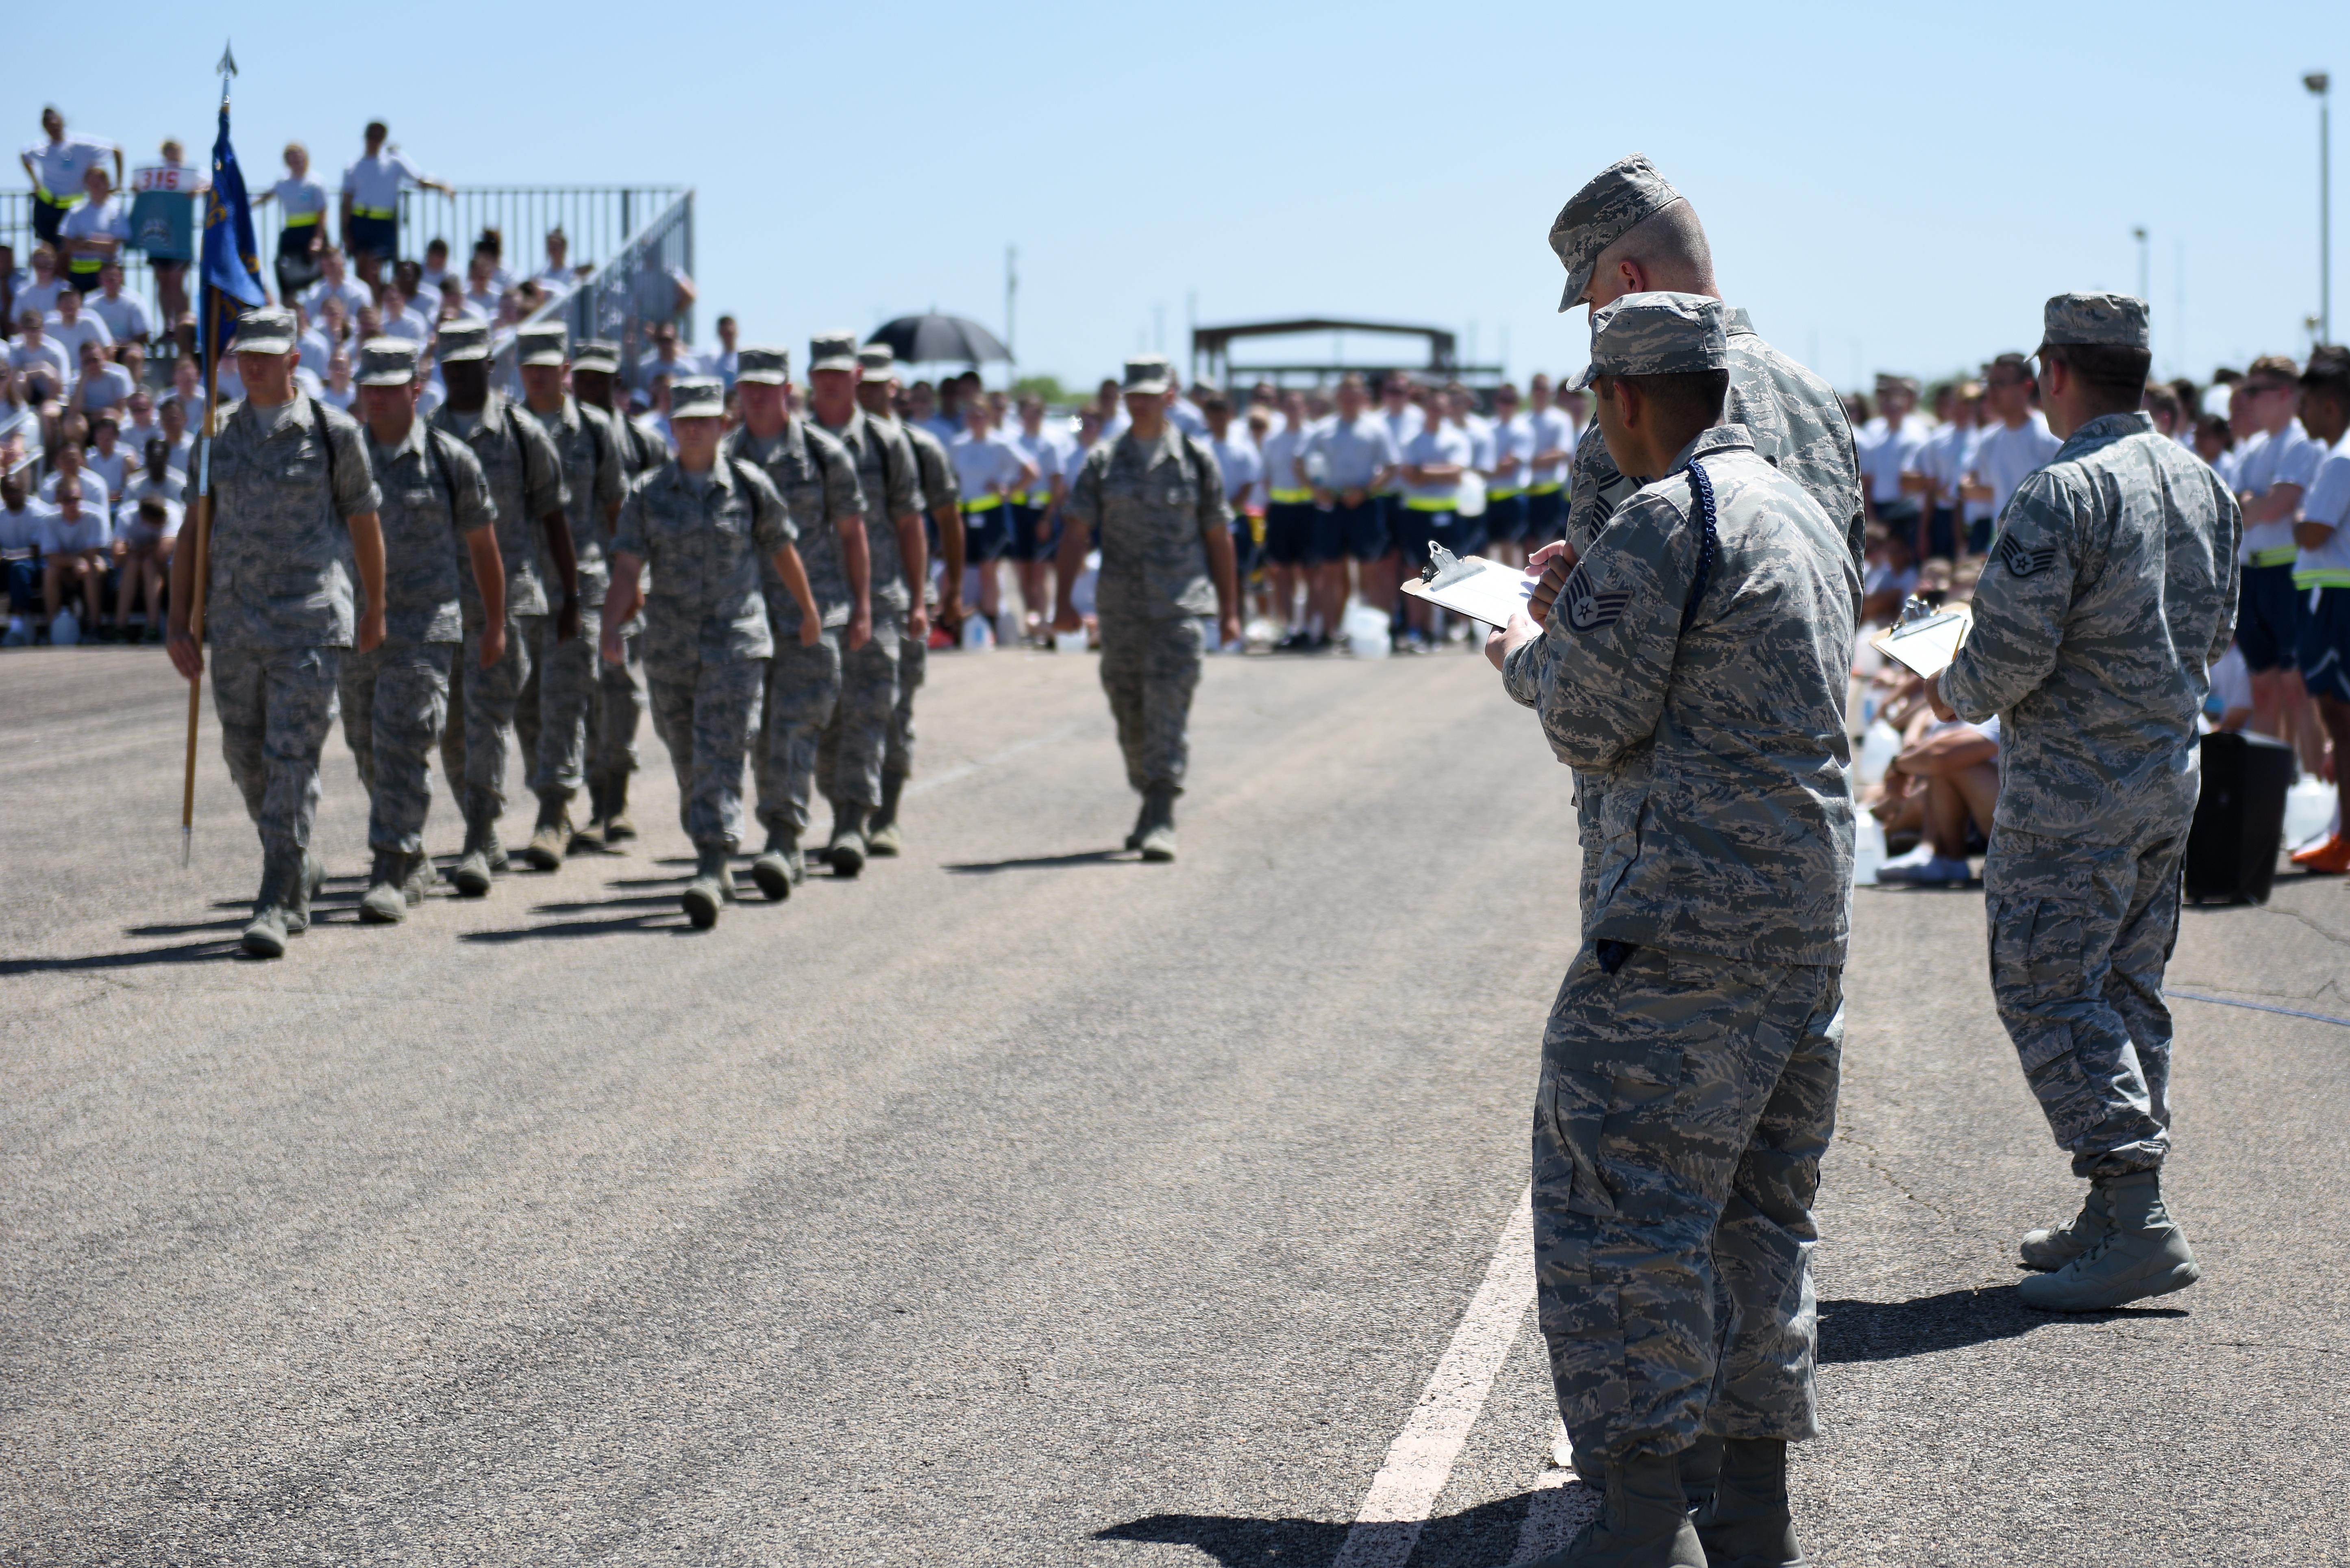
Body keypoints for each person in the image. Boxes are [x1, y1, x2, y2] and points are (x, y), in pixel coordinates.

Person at [1486, 291, 1858, 1568]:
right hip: (1801, 919)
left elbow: (1587, 717)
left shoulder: (1661, 516)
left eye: (1599, 397)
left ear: (1627, 396)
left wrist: (1526, 643)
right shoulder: (1801, 509)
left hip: (1681, 920)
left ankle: (1643, 1521)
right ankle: (1751, 1518)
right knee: (1760, 1220)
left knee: (1616, 1212)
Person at [1929, 293, 2237, 1313]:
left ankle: (2136, 1211)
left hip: (2072, 789)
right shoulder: (2202, 482)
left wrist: (1948, 675)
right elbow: (2216, 633)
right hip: (2163, 774)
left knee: (2048, 985)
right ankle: (2114, 1208)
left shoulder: (2062, 490)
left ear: (2053, 373)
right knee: (2125, 984)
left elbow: (2005, 658)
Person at [1534, 153, 1862, 948]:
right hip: (1798, 827)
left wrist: (1550, 615)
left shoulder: (1634, 403)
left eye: (1592, 300)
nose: (1593, 323)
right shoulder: (1818, 399)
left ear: (1631, 279)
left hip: (1668, 845)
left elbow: (1603, 669)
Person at [165, 305, 385, 959]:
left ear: (294, 359)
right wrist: (178, 618)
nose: (252, 365)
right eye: (244, 354)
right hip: (235, 625)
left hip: (308, 622)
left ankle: (276, 896)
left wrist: (376, 606)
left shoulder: (333, 433)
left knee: (292, 756)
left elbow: (364, 522)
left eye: (266, 354)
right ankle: (298, 863)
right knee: (244, 755)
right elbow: (194, 530)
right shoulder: (215, 436)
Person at [602, 376, 819, 927]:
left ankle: (711, 860)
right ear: (672, 427)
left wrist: (808, 609)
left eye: (705, 420)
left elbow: (782, 549)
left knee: (719, 751)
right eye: (685, 421)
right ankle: (713, 854)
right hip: (669, 648)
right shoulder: (647, 493)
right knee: (685, 755)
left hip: (736, 644)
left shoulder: (749, 485)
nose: (695, 429)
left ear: (724, 425)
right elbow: (627, 565)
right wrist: (610, 626)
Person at [337, 337, 503, 923]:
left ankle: (388, 866)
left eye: (390, 388)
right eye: (369, 388)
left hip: (426, 624)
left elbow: (483, 548)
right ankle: (414, 857)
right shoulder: (342, 456)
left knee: (404, 739)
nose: (378, 399)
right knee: (366, 745)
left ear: (415, 389)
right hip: (357, 626)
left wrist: (495, 623)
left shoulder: (450, 460)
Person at [1051, 355, 1241, 861]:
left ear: (1169, 397)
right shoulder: (1103, 460)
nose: (1140, 403)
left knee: (1167, 706)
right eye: (1133, 394)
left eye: (1150, 394)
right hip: (1120, 608)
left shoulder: (1196, 459)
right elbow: (1075, 532)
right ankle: (1146, 789)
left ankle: (1161, 809)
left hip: (1179, 606)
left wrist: (1229, 611)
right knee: (1127, 707)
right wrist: (1062, 602)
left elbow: (1218, 536)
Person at [429, 318, 575, 897]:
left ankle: (480, 833)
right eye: (452, 366)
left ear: (491, 367)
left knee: (488, 714)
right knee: (451, 727)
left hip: (508, 599)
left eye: (472, 364)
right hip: (441, 601)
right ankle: (480, 821)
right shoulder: (426, 435)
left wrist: (570, 598)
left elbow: (554, 519)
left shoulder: (522, 434)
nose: (462, 375)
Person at [723, 345, 871, 895]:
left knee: (797, 725)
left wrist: (862, 606)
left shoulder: (823, 455)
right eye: (749, 386)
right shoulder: (723, 455)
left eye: (768, 386)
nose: (758, 396)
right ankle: (784, 833)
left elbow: (853, 534)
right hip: (744, 617)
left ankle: (786, 837)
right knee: (761, 733)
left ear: (787, 390)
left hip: (814, 615)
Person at [511, 323, 625, 867]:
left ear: (564, 370)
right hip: (519, 589)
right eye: (529, 367)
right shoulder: (505, 430)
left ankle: (554, 811)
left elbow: (616, 510)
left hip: (581, 586)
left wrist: (628, 583)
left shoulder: (596, 431)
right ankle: (555, 797)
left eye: (547, 367)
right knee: (525, 706)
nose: (537, 376)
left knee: (567, 699)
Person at [840, 341, 949, 863]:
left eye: (878, 384)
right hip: (847, 594)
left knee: (894, 707)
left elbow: (943, 519)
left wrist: (943, 587)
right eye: (862, 384)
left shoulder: (917, 447)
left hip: (903, 593)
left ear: (894, 387)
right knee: (845, 709)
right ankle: (851, 809)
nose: (870, 392)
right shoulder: (836, 444)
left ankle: (886, 815)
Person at [570, 339, 665, 843]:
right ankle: (596, 802)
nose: (590, 387)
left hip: (632, 582)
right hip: (580, 581)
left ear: (616, 383)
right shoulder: (561, 438)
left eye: (599, 379)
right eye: (583, 378)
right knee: (585, 690)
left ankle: (619, 799)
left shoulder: (643, 444)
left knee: (622, 688)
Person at [2229, 354, 2328, 769]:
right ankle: (2269, 790)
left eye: (2255, 391)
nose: (2246, 400)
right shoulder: (2252, 447)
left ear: (2285, 393)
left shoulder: (2301, 442)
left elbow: (2276, 506)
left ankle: (2315, 781)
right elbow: (2236, 507)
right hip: (2251, 575)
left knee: (2297, 689)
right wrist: (2255, 503)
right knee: (2264, 690)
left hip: (2286, 575)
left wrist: (2254, 503)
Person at [2287, 347, 2350, 873]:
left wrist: (2295, 519)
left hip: (2336, 598)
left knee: (2340, 716)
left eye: (2305, 403)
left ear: (2331, 406)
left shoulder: (2339, 460)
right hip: (2333, 596)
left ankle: (2345, 837)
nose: (2299, 414)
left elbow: (2312, 532)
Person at [1305, 373, 1400, 635]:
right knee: (1331, 570)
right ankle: (1330, 632)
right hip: (1333, 505)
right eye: (1344, 395)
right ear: (1337, 397)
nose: (1349, 400)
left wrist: (1366, 490)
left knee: (1371, 571)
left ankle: (1376, 631)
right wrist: (1317, 491)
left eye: (1354, 395)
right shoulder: (1322, 429)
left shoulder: (1376, 428)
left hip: (1365, 504)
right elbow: (1300, 463)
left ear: (1363, 397)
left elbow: (1391, 466)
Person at [951, 393, 1039, 635]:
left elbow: (1032, 471)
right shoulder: (958, 444)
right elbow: (951, 476)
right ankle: (956, 625)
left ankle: (990, 626)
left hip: (991, 513)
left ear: (989, 417)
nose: (976, 419)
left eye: (981, 415)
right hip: (965, 512)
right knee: (957, 570)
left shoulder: (1000, 444)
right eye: (972, 414)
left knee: (988, 570)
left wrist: (1008, 491)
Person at [1962, 353, 2062, 556]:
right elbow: (1988, 492)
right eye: (1989, 384)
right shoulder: (1988, 441)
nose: (1991, 391)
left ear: (2026, 387)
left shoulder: (2051, 437)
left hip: (2045, 551)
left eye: (2000, 384)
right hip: (2003, 549)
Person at [340, 122, 450, 283]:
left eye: (378, 137)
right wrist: (346, 231)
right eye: (371, 136)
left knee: (374, 267)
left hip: (383, 223)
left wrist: (442, 185)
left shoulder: (394, 162)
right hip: (360, 222)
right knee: (362, 265)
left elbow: (419, 179)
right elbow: (346, 201)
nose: (374, 141)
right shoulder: (352, 166)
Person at [1005, 393, 1071, 643]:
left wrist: (1048, 518)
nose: (1032, 417)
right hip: (1018, 509)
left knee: (1040, 571)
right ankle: (1030, 621)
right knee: (1022, 569)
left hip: (1042, 511)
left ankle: (1043, 620)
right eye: (1028, 412)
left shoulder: (1050, 444)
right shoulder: (1013, 442)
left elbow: (1057, 485)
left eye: (1037, 412)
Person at [1260, 390, 1322, 648]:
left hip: (1309, 509)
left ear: (1305, 408)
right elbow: (1266, 477)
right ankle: (1286, 628)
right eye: (1289, 406)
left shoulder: (1315, 436)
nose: (1293, 411)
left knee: (1311, 571)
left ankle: (1308, 627)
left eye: (1298, 406)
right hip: (1281, 510)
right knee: (1282, 572)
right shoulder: (1273, 439)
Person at [20, 108, 120, 253]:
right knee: (48, 251)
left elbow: (116, 151)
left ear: (62, 122)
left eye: (56, 124)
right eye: (50, 126)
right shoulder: (41, 148)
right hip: (47, 206)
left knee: (72, 250)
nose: (54, 129)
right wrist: (36, 184)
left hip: (73, 209)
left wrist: (118, 184)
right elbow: (24, 156)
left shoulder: (81, 145)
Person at [256, 143, 330, 303]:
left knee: (319, 270)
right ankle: (287, 303)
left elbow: (323, 212)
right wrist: (244, 206)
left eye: (299, 158)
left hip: (312, 231)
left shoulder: (316, 182)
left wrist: (318, 239)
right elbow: (266, 197)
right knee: (283, 267)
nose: (297, 162)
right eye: (293, 159)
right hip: (293, 232)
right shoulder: (283, 182)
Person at [85, 261, 150, 347]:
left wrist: (122, 345)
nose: (111, 282)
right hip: (101, 349)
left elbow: (143, 334)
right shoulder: (90, 303)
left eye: (113, 278)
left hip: (128, 347)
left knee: (134, 353)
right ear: (100, 281)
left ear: (121, 278)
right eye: (107, 279)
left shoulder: (135, 300)